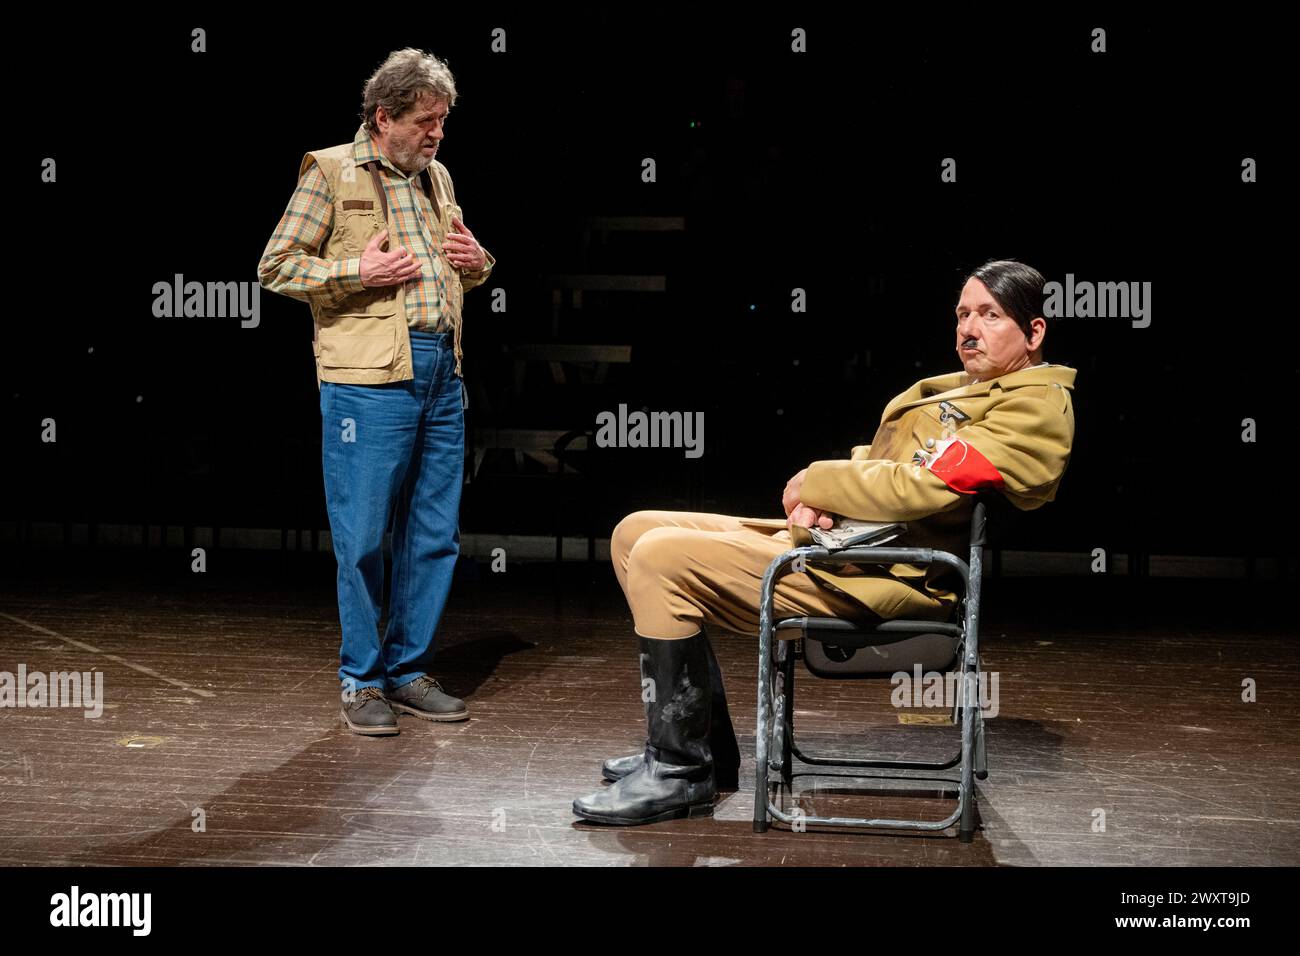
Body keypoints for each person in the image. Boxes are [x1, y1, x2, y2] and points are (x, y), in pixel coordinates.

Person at [573, 259, 1076, 825]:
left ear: (1034, 332)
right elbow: (883, 460)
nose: (969, 328)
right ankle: (703, 747)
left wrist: (820, 482)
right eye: (963, 314)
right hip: (853, 543)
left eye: (990, 315)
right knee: (633, 530)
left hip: (891, 574)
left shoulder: (1033, 407)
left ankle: (678, 772)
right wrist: (832, 499)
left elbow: (926, 484)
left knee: (660, 557)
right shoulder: (967, 389)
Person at [258, 48, 495, 736]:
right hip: (368, 382)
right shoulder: (331, 171)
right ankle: (361, 679)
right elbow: (276, 266)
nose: (437, 134)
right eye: (425, 121)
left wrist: (479, 266)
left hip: (440, 371)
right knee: (363, 535)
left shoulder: (437, 178)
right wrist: (355, 270)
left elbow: (456, 269)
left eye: (443, 121)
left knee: (433, 534)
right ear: (383, 116)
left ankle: (409, 670)